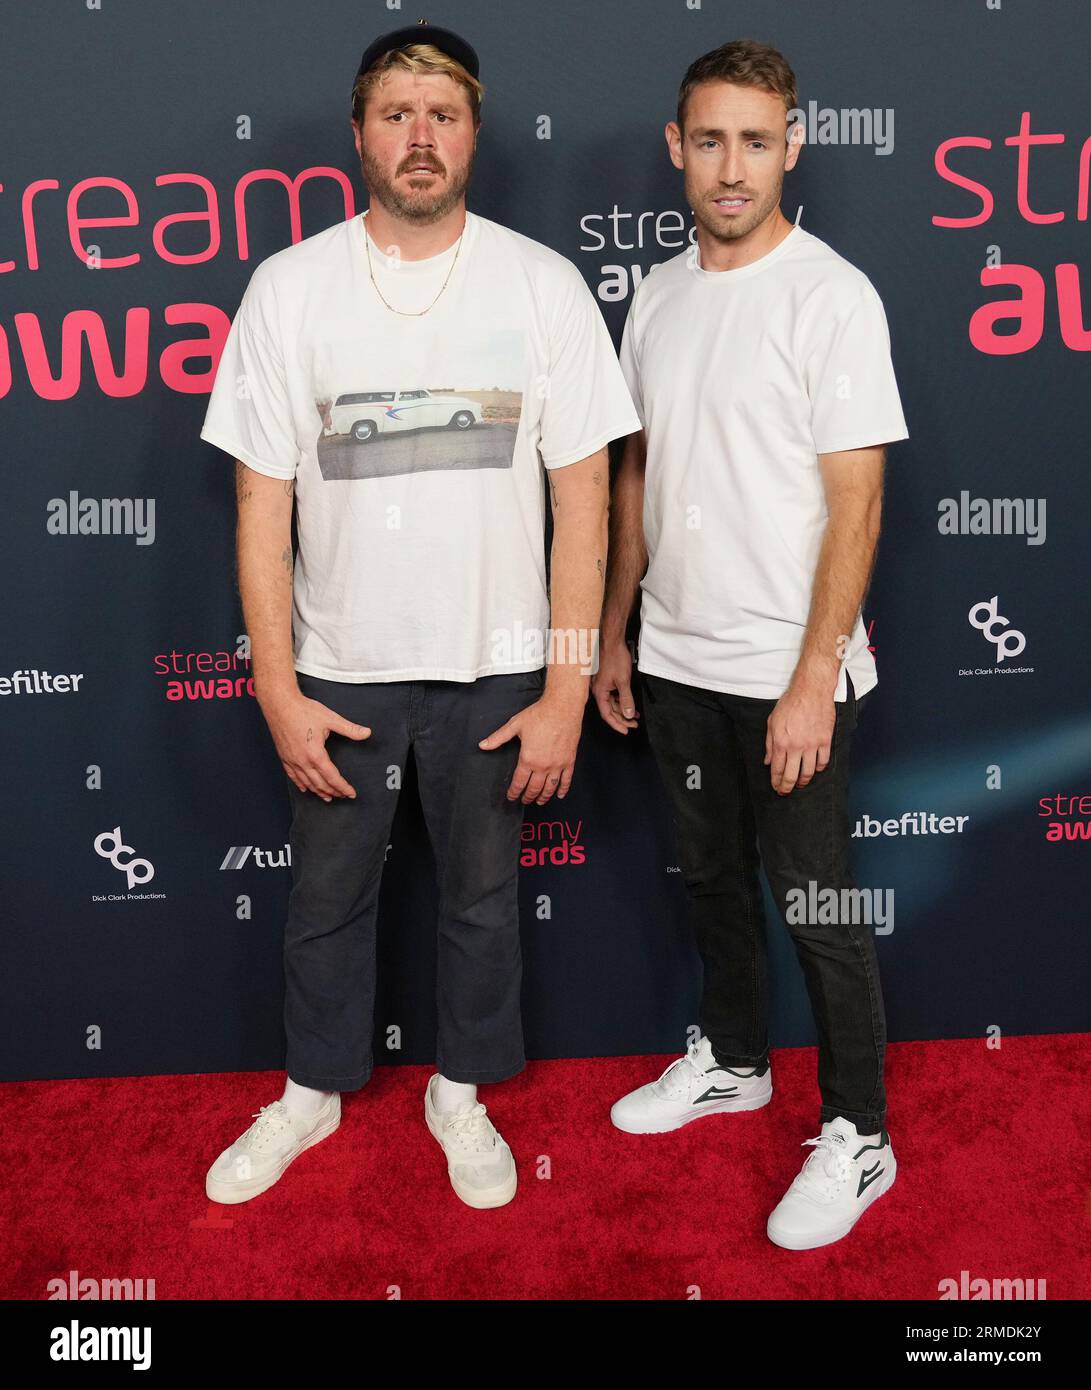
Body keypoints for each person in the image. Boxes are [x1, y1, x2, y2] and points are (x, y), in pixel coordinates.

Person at [199, 22, 640, 1209]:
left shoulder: (540, 285)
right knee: (324, 903)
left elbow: (583, 497)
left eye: (442, 114)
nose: (419, 137)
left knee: (482, 899)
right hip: (338, 666)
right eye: (396, 113)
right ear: (358, 133)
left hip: (497, 667)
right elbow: (259, 499)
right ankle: (310, 1088)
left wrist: (559, 687)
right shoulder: (288, 289)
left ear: (475, 133)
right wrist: (275, 686)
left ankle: (462, 1089)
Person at [593, 38, 909, 1250]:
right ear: (678, 148)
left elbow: (857, 501)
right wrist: (619, 631)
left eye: (757, 141)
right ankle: (732, 1058)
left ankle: (859, 1131)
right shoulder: (655, 296)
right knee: (712, 881)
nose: (733, 167)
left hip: (786, 674)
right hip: (675, 665)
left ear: (793, 145)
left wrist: (812, 679)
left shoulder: (831, 295)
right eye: (711, 140)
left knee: (818, 905)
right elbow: (636, 478)